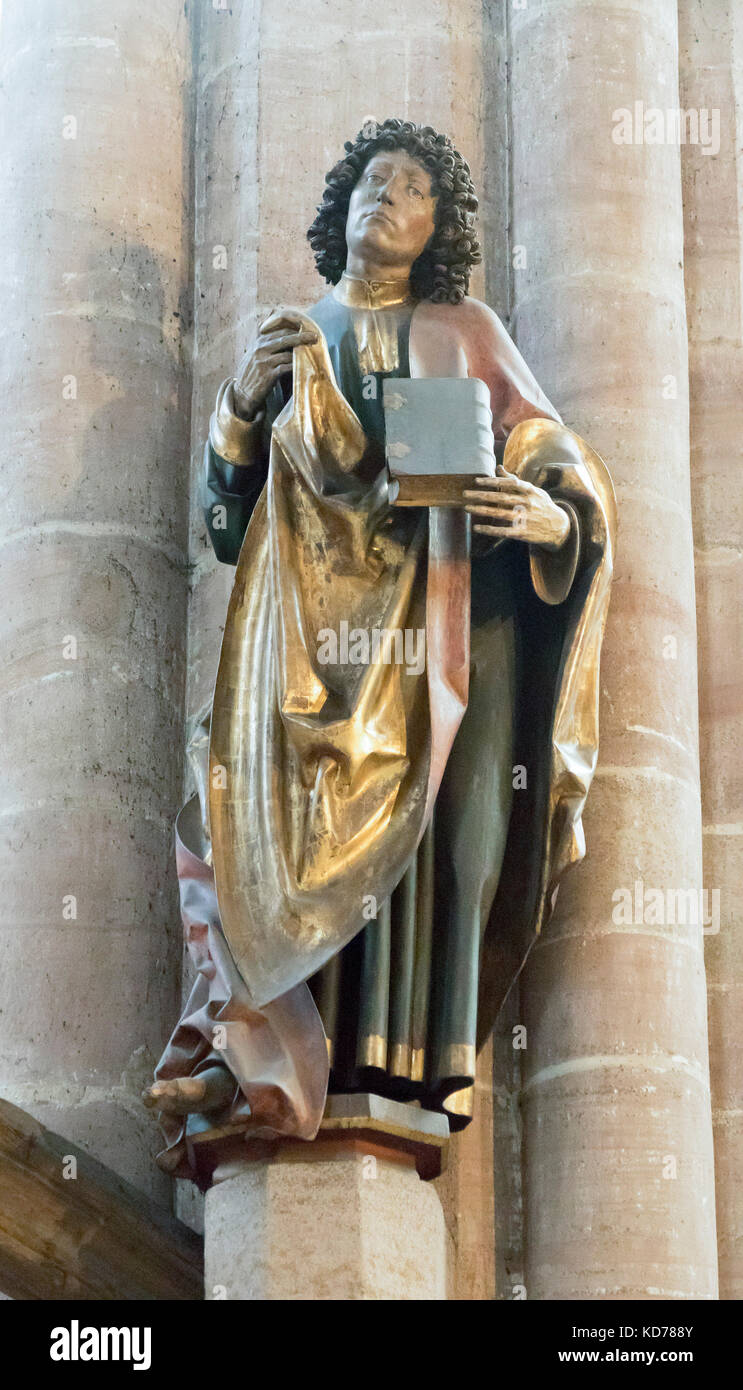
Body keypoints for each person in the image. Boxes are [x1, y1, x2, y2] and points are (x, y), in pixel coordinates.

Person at [145, 119, 615, 1176]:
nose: (384, 197)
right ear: (340, 207)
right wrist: (232, 417)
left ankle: (395, 1064)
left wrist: (552, 518)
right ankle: (261, 1053)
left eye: (410, 188)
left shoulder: (462, 329)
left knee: (451, 839)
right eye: (370, 179)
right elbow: (227, 530)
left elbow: (545, 450)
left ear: (436, 227)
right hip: (304, 646)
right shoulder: (291, 336)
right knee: (246, 810)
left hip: (448, 628)